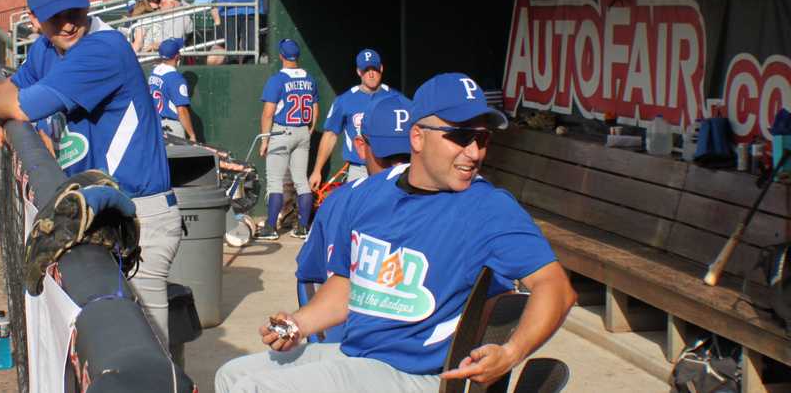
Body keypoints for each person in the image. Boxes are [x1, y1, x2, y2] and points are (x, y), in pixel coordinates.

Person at [215, 73, 576, 393]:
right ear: (417, 137)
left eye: (482, 139)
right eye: (461, 136)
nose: (474, 152)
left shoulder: (488, 207)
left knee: (259, 389)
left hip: (418, 376)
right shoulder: (371, 194)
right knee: (231, 376)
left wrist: (511, 353)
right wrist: (298, 322)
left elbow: (557, 288)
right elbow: (350, 285)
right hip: (356, 358)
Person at [0, 0, 183, 346]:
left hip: (141, 215)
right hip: (102, 213)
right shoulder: (46, 48)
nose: (67, 25)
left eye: (74, 12)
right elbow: (11, 90)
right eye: (55, 18)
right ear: (35, 20)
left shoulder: (104, 49)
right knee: (109, 342)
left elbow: (21, 107)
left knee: (146, 355)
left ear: (87, 6)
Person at [294, 94, 412, 344]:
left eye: (408, 158)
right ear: (361, 148)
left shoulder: (444, 207)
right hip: (344, 346)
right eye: (388, 159)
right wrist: (319, 340)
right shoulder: (337, 202)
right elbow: (309, 278)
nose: (399, 168)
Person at [256, 39, 319, 240]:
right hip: (302, 130)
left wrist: (265, 139)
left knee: (275, 182)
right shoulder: (309, 78)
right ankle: (302, 227)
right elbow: (315, 110)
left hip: (281, 132)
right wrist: (309, 130)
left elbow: (268, 113)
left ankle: (270, 228)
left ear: (281, 56)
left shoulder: (278, 79)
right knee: (302, 181)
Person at [309, 49, 399, 189]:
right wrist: (317, 170)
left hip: (387, 167)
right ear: (359, 72)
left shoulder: (396, 99)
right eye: (366, 70)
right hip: (359, 169)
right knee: (356, 210)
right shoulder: (345, 100)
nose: (370, 74)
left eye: (374, 69)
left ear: (381, 68)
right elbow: (330, 135)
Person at [150, 37, 197, 141]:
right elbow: (182, 110)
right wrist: (192, 135)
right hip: (171, 128)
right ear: (177, 56)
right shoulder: (176, 78)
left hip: (156, 125)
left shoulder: (154, 71)